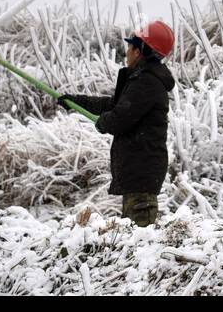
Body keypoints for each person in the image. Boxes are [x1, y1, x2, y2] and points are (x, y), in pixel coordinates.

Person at [60, 20, 175, 226]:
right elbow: (115, 105)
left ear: (138, 51)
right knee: (135, 237)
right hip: (139, 172)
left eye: (130, 46)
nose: (127, 52)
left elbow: (119, 118)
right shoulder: (143, 80)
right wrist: (77, 102)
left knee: (142, 239)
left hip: (141, 172)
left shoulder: (146, 83)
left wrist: (103, 123)